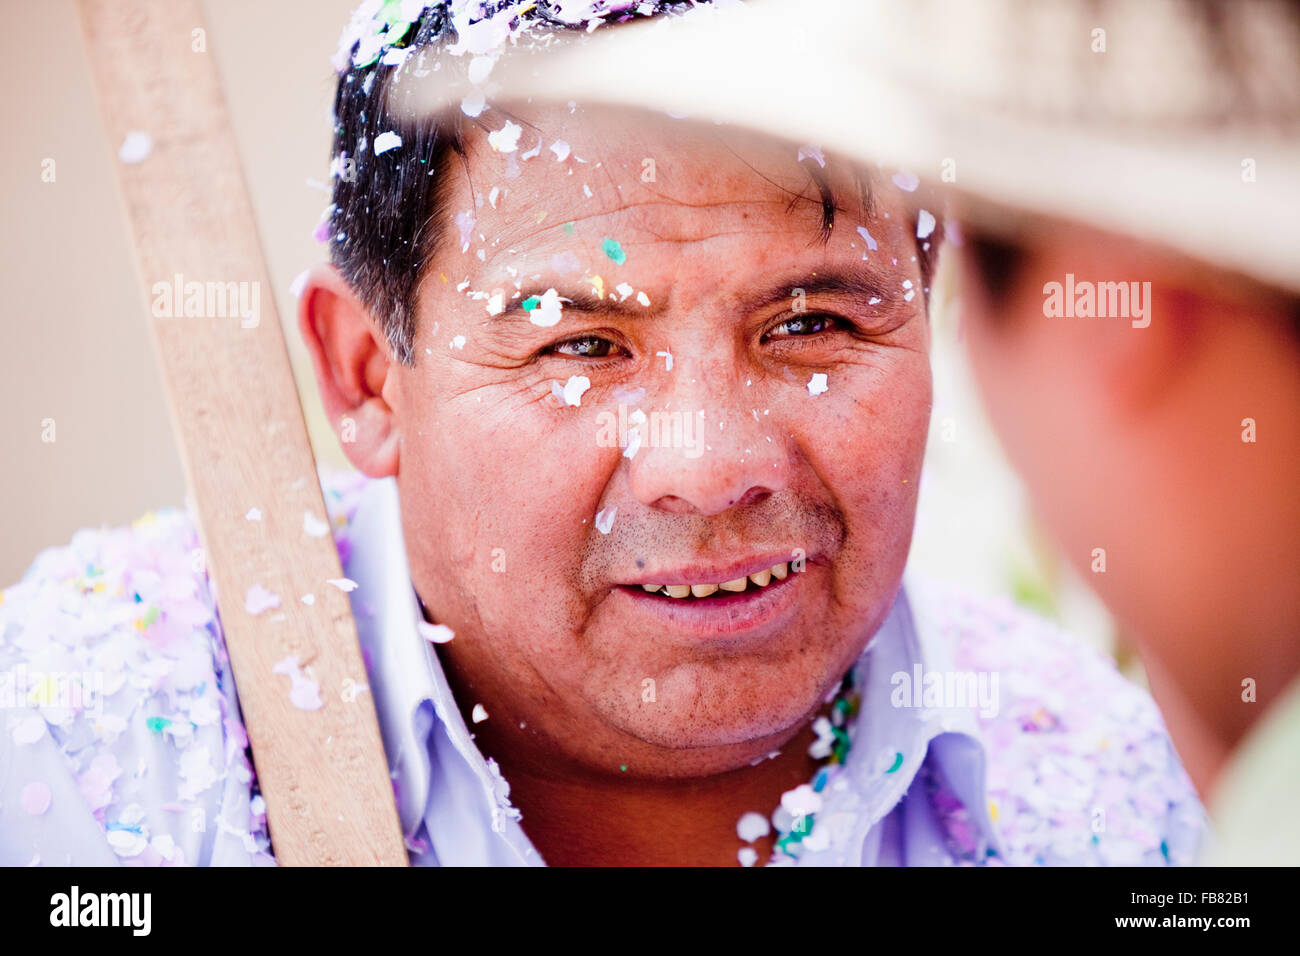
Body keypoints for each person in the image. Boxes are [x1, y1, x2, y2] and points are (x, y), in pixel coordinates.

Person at [0, 0, 1206, 866]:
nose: (712, 465)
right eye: (579, 345)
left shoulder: (1096, 787)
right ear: (366, 375)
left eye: (811, 322)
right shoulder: (79, 758)